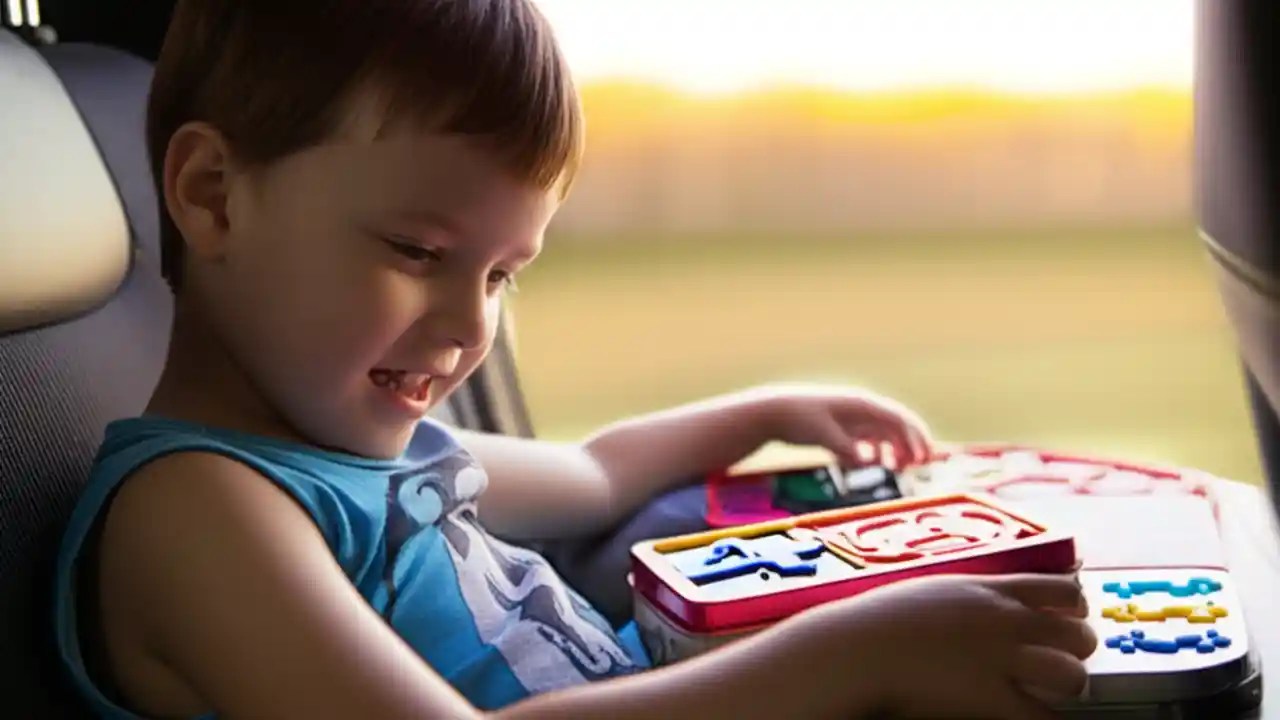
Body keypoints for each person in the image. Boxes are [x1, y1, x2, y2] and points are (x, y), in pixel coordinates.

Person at [52, 2, 1096, 718]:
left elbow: (598, 472)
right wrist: (852, 654)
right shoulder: (196, 509)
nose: (469, 325)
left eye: (504, 275)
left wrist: (765, 410)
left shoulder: (374, 452)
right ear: (213, 195)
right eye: (417, 252)